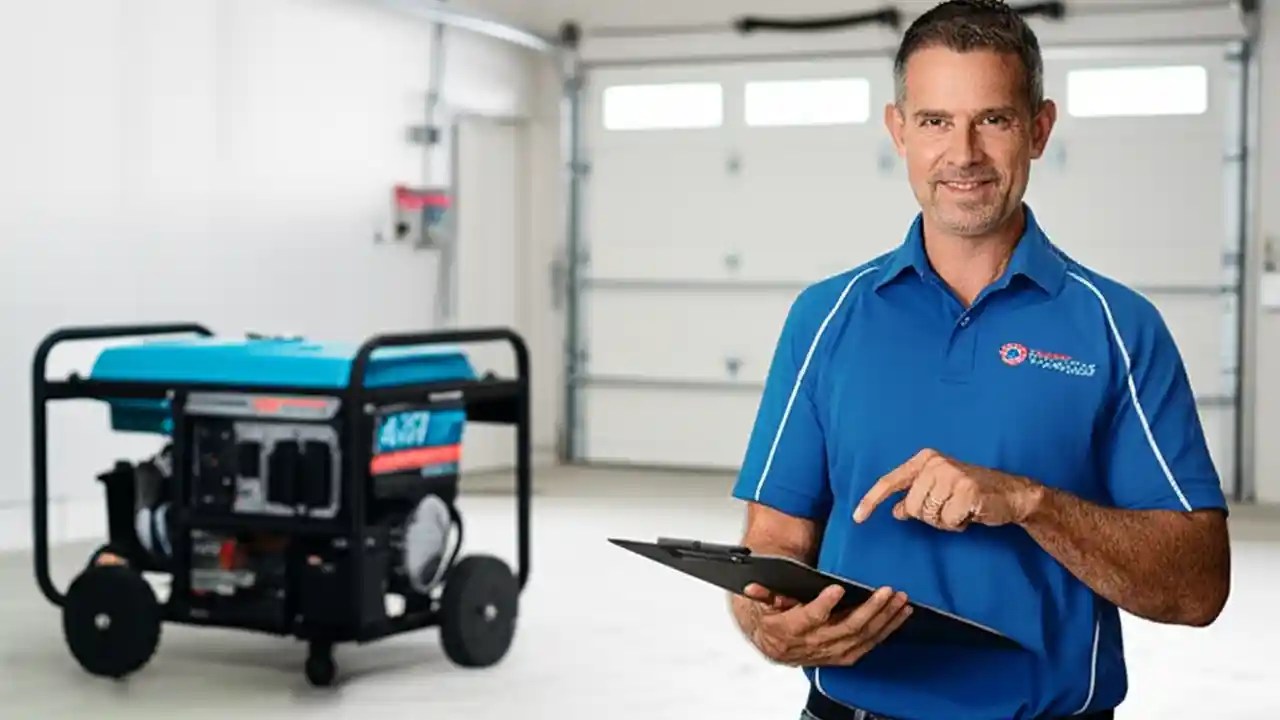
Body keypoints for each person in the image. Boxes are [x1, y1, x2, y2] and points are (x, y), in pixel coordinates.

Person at [726, 1, 1233, 718]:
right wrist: (767, 623)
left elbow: (1197, 587)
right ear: (899, 130)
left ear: (1039, 129)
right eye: (935, 121)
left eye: (992, 119)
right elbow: (773, 542)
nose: (962, 153)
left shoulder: (1117, 328)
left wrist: (1029, 502)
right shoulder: (824, 317)